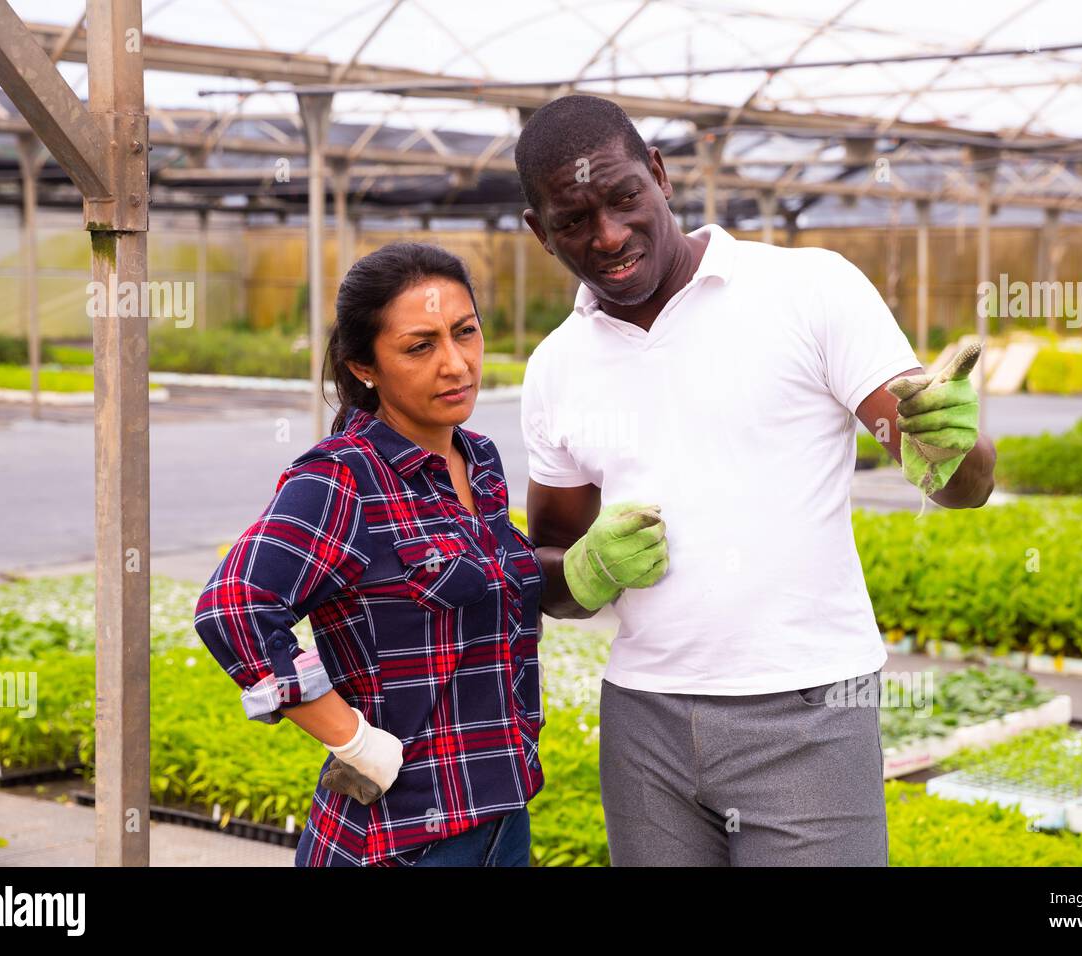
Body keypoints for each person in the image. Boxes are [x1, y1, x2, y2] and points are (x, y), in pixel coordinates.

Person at [513, 94, 996, 866]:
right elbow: (553, 571)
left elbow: (955, 483)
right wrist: (584, 568)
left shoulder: (808, 290)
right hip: (645, 723)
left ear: (660, 174)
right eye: (573, 220)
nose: (608, 235)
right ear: (539, 232)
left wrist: (953, 446)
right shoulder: (556, 367)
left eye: (624, 197)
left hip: (808, 710)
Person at [194, 242, 544, 867]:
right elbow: (233, 609)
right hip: (398, 839)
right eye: (420, 346)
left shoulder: (479, 461)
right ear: (364, 367)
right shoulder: (344, 478)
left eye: (466, 332)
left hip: (503, 819)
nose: (456, 363)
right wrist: (354, 741)